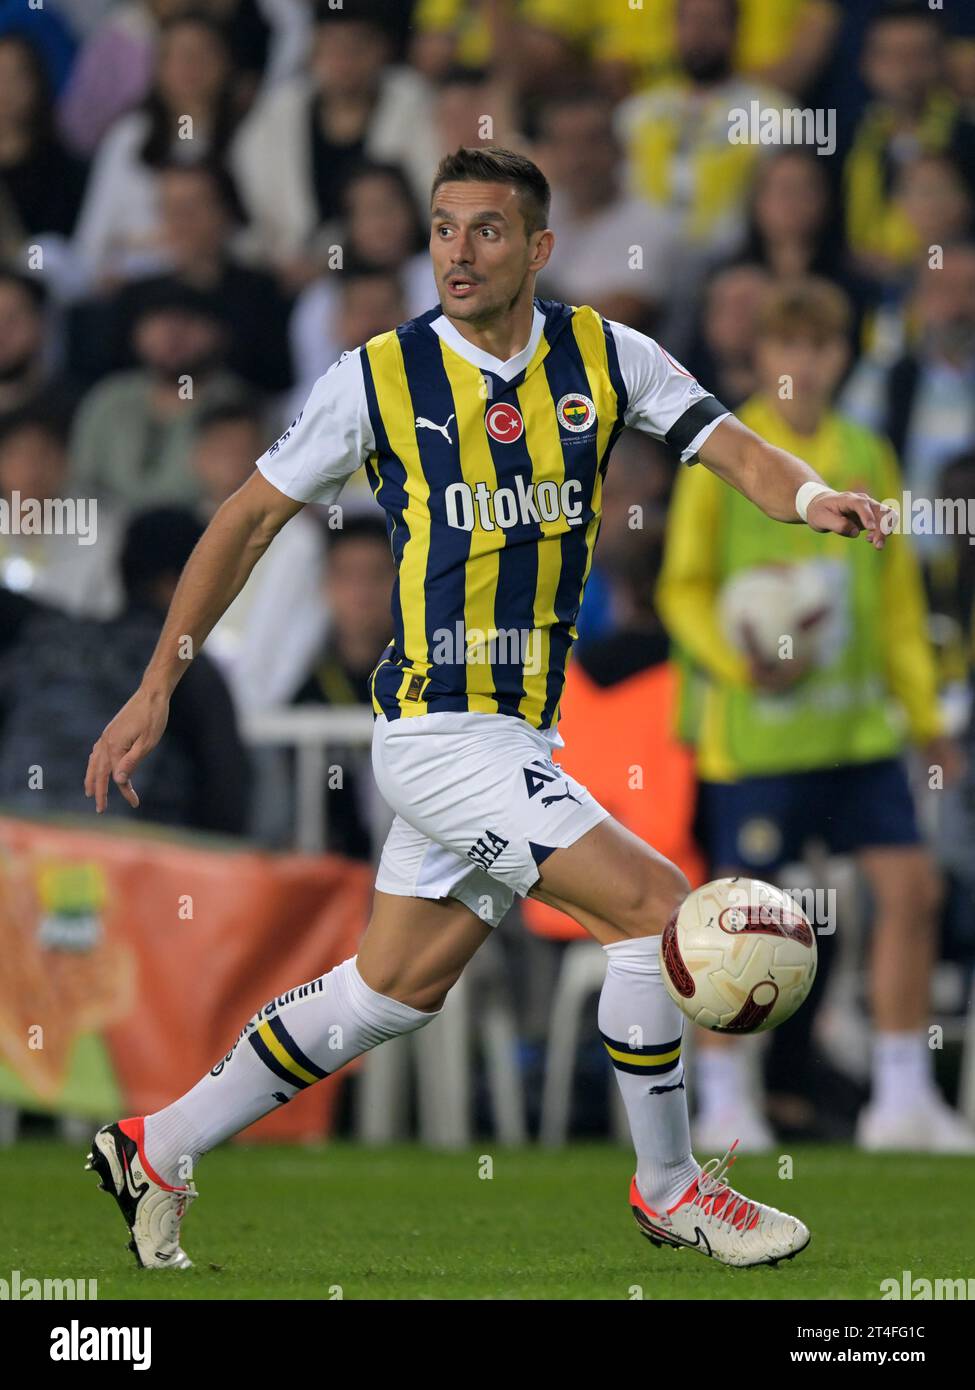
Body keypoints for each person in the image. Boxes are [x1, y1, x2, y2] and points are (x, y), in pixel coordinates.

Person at [83, 145, 891, 1272]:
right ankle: (672, 1190)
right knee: (657, 912)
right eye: (444, 227)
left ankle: (155, 1145)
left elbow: (728, 447)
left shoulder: (605, 354)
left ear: (539, 248)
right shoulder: (376, 377)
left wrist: (812, 496)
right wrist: (158, 680)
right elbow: (246, 520)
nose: (459, 253)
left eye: (488, 230)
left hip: (520, 730)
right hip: (438, 729)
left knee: (390, 991)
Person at [657, 277, 971, 1153]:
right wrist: (735, 664)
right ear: (761, 356)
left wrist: (921, 713)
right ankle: (724, 1103)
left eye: (820, 347)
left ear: (840, 358)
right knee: (736, 922)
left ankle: (901, 1099)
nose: (803, 364)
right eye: (786, 347)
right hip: (754, 739)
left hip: (857, 731)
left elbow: (895, 599)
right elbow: (682, 590)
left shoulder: (867, 453)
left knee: (912, 891)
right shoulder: (722, 455)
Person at [0, 506, 249, 833]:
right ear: (181, 581)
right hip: (134, 870)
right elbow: (227, 801)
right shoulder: (185, 670)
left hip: (22, 861)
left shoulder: (38, 644)